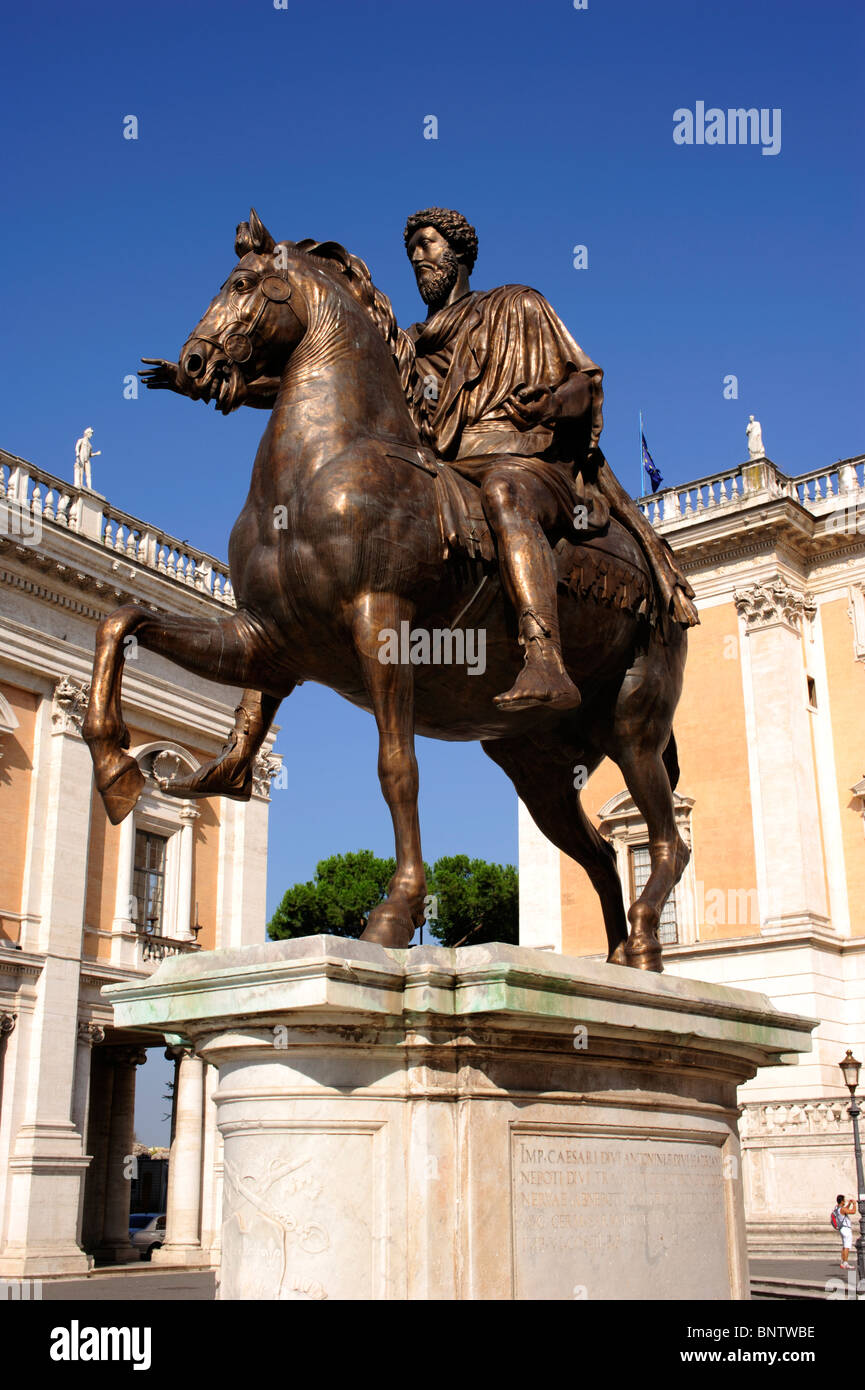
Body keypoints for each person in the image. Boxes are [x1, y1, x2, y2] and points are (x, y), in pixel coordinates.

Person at [400, 207, 698, 713]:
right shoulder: (411, 344)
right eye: (411, 251)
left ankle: (544, 658)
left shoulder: (518, 306)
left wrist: (553, 403)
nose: (416, 257)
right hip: (451, 465)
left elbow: (583, 380)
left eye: (427, 244)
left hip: (528, 464)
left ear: (459, 251)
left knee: (504, 492)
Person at [833, 1193, 857, 1269]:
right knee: (847, 1246)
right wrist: (854, 1204)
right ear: (842, 1201)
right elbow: (853, 1211)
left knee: (844, 1245)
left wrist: (849, 1204)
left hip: (842, 1228)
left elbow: (845, 1210)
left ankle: (843, 1262)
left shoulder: (837, 1208)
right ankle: (846, 1263)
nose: (845, 1201)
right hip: (846, 1229)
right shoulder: (842, 1209)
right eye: (844, 1200)